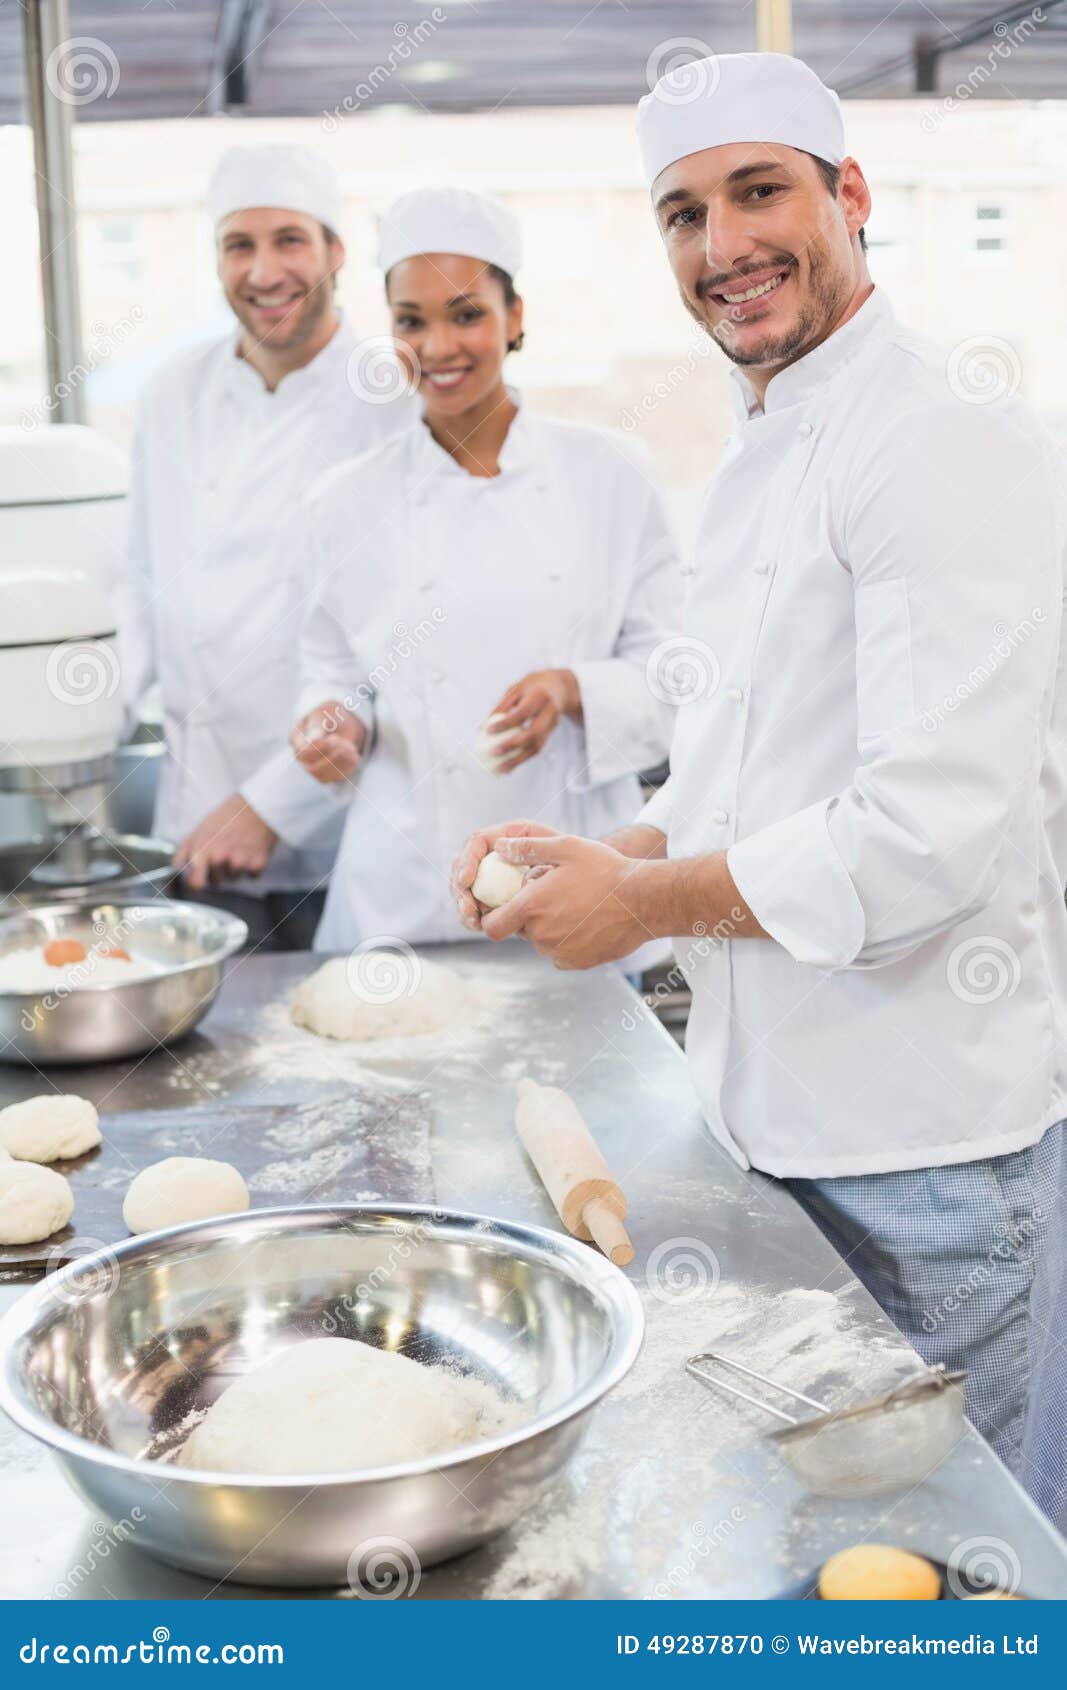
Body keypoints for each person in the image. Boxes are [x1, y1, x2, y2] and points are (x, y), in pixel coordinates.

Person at [453, 53, 1067, 1529]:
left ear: (848, 196)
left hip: (922, 1156)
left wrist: (643, 903)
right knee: (830, 1558)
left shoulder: (931, 438)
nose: (720, 246)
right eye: (681, 213)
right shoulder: (771, 426)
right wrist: (607, 854)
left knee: (939, 1574)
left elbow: (921, 837)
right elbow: (755, 771)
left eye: (757, 194)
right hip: (778, 1121)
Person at [280, 187, 680, 950]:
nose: (437, 347)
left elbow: (679, 670)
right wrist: (331, 722)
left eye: (466, 314)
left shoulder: (612, 474)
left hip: (573, 875)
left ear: (515, 315)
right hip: (402, 895)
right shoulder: (343, 501)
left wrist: (572, 689)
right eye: (411, 321)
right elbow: (331, 669)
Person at [119, 144, 414, 949]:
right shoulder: (170, 393)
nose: (263, 270)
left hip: (344, 835)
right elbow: (141, 588)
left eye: (289, 240)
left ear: (335, 254)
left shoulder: (398, 397)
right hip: (198, 828)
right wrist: (72, 742)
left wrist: (272, 804)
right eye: (237, 245)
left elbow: (409, 644)